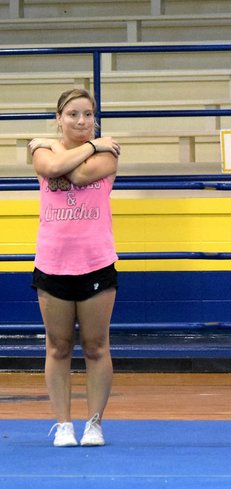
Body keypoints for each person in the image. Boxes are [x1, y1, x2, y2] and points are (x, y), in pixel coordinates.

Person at [28, 88, 121, 448]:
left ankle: (94, 423)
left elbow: (80, 177)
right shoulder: (42, 152)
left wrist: (92, 149)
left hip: (96, 261)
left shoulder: (109, 155)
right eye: (73, 115)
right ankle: (64, 424)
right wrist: (94, 145)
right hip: (53, 262)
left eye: (87, 115)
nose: (81, 122)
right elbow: (51, 169)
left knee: (97, 346)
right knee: (58, 347)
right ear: (59, 118)